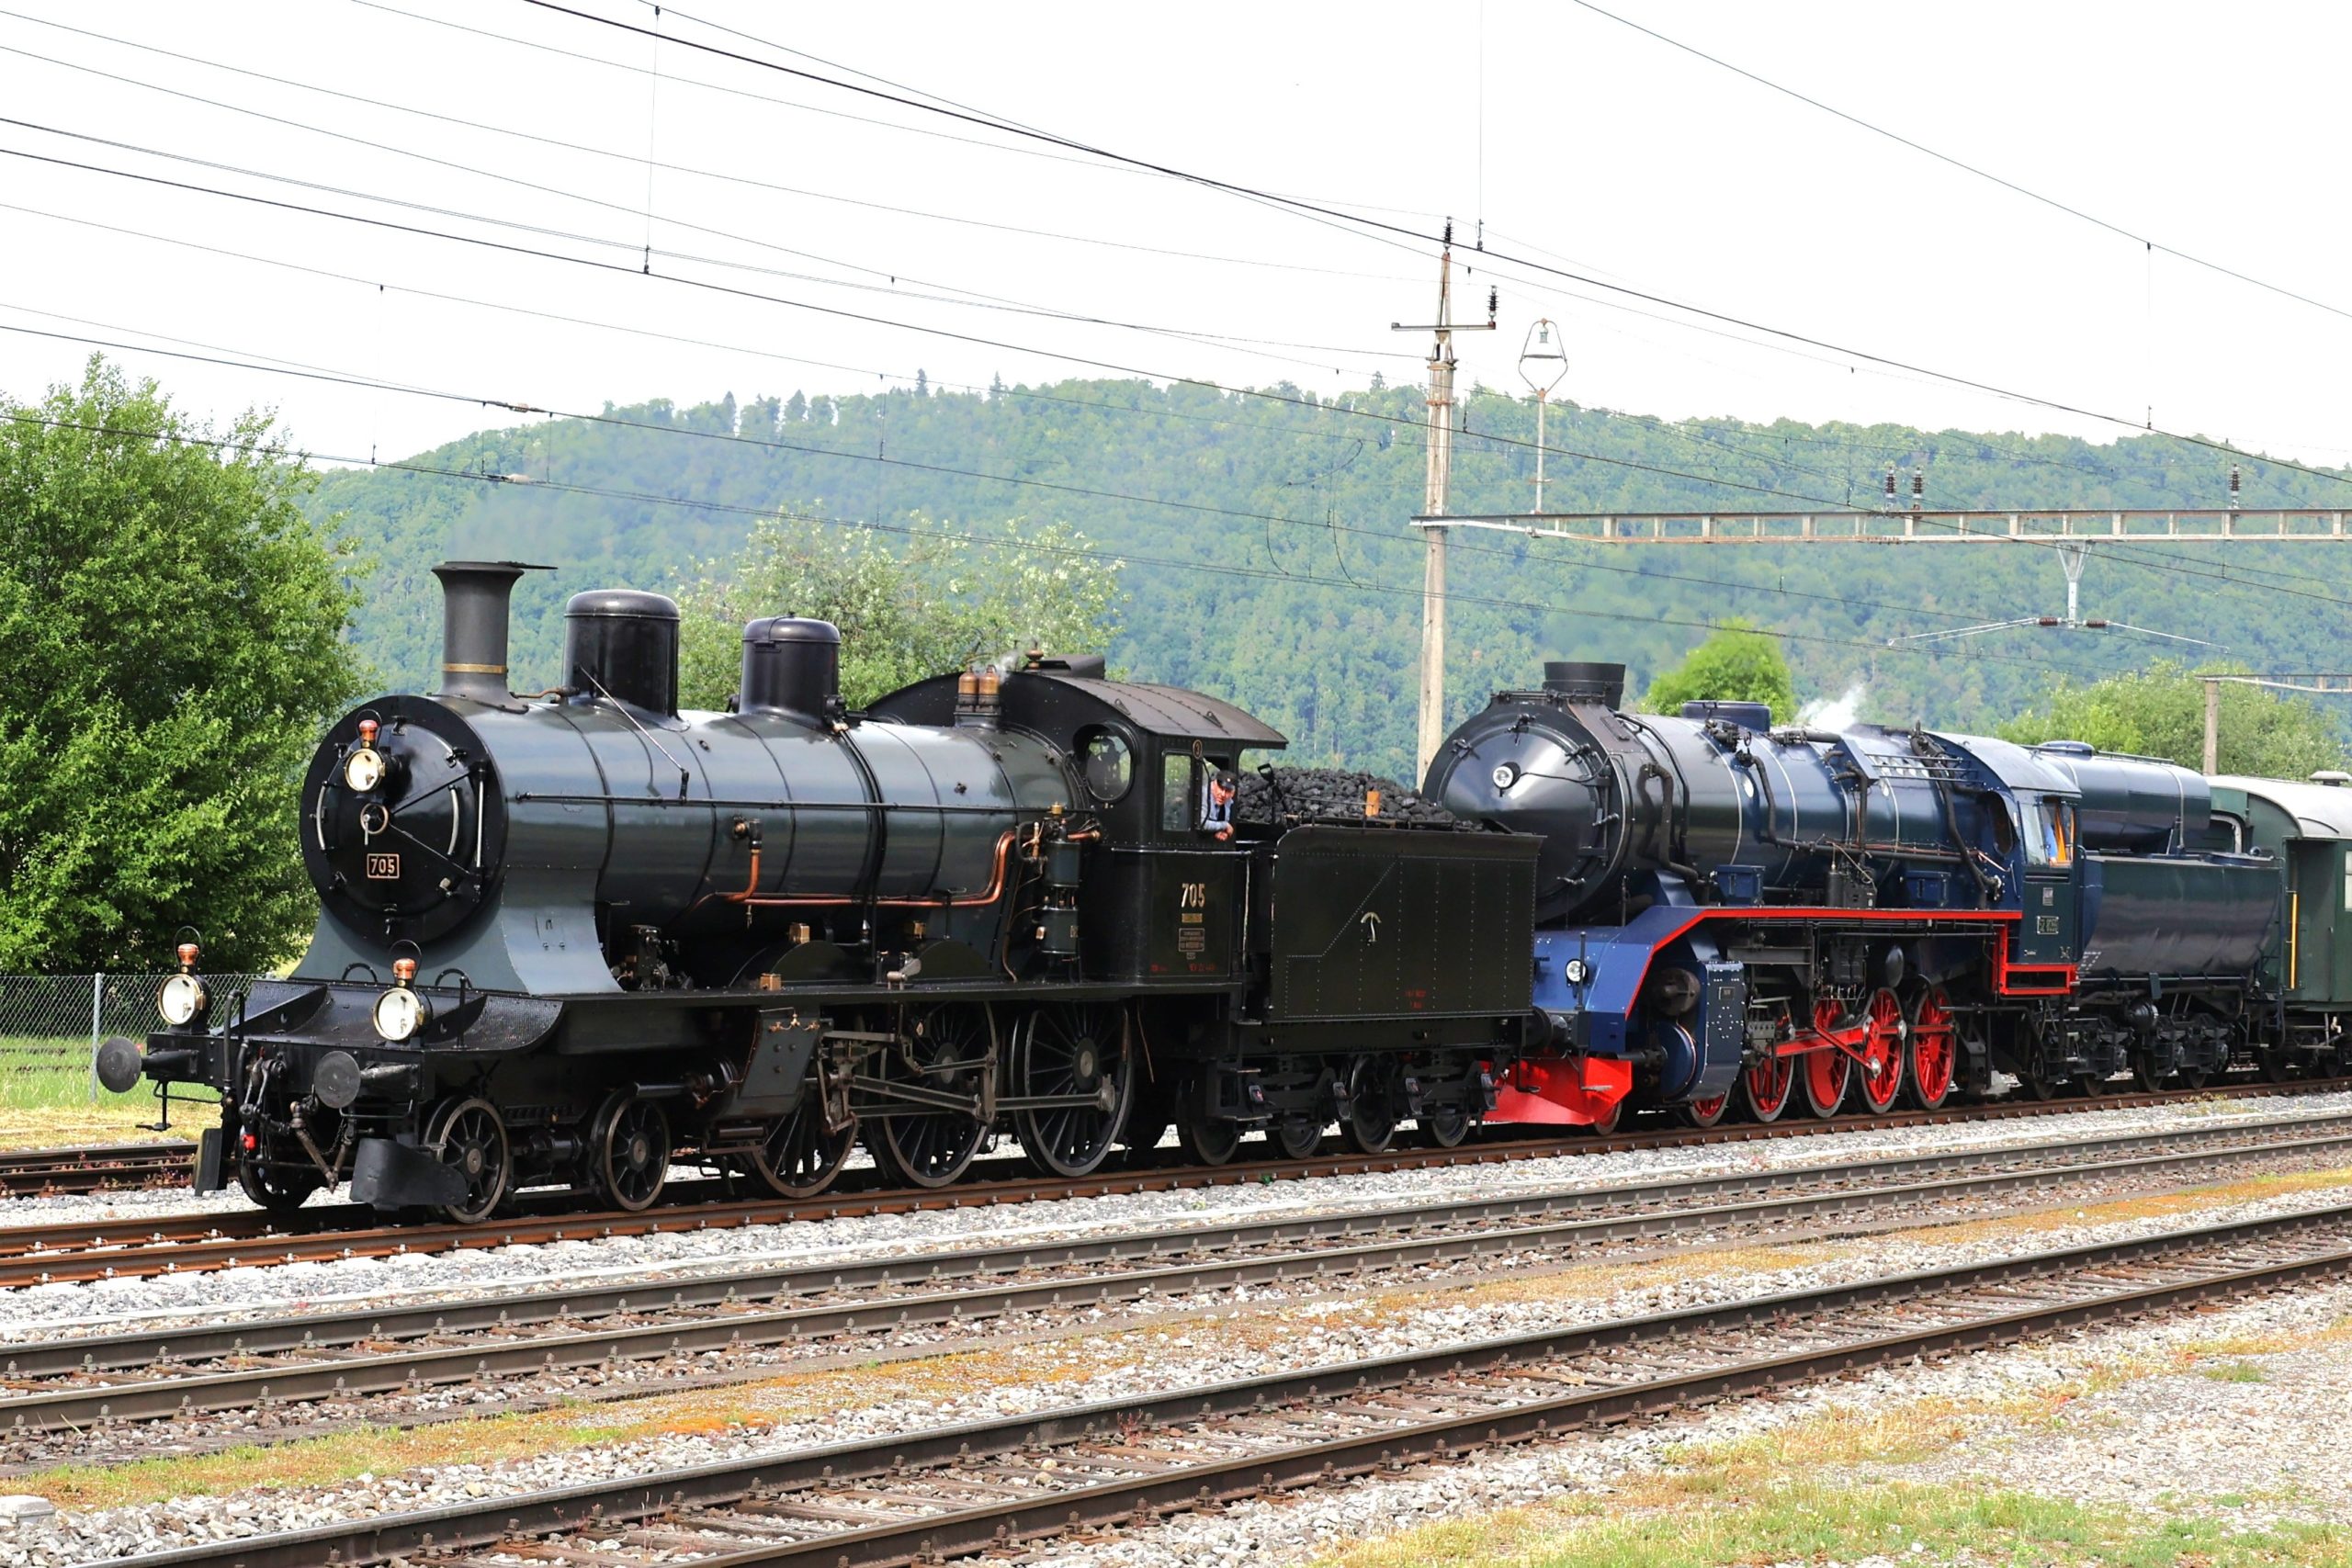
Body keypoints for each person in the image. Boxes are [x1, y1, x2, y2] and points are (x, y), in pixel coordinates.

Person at [1201, 768, 1239, 841]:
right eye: (1221, 788)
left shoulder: (1228, 800)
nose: (1223, 794)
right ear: (1214, 785)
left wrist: (1221, 832)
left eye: (1227, 791)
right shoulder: (1204, 795)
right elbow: (1202, 824)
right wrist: (1225, 825)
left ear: (1232, 793)